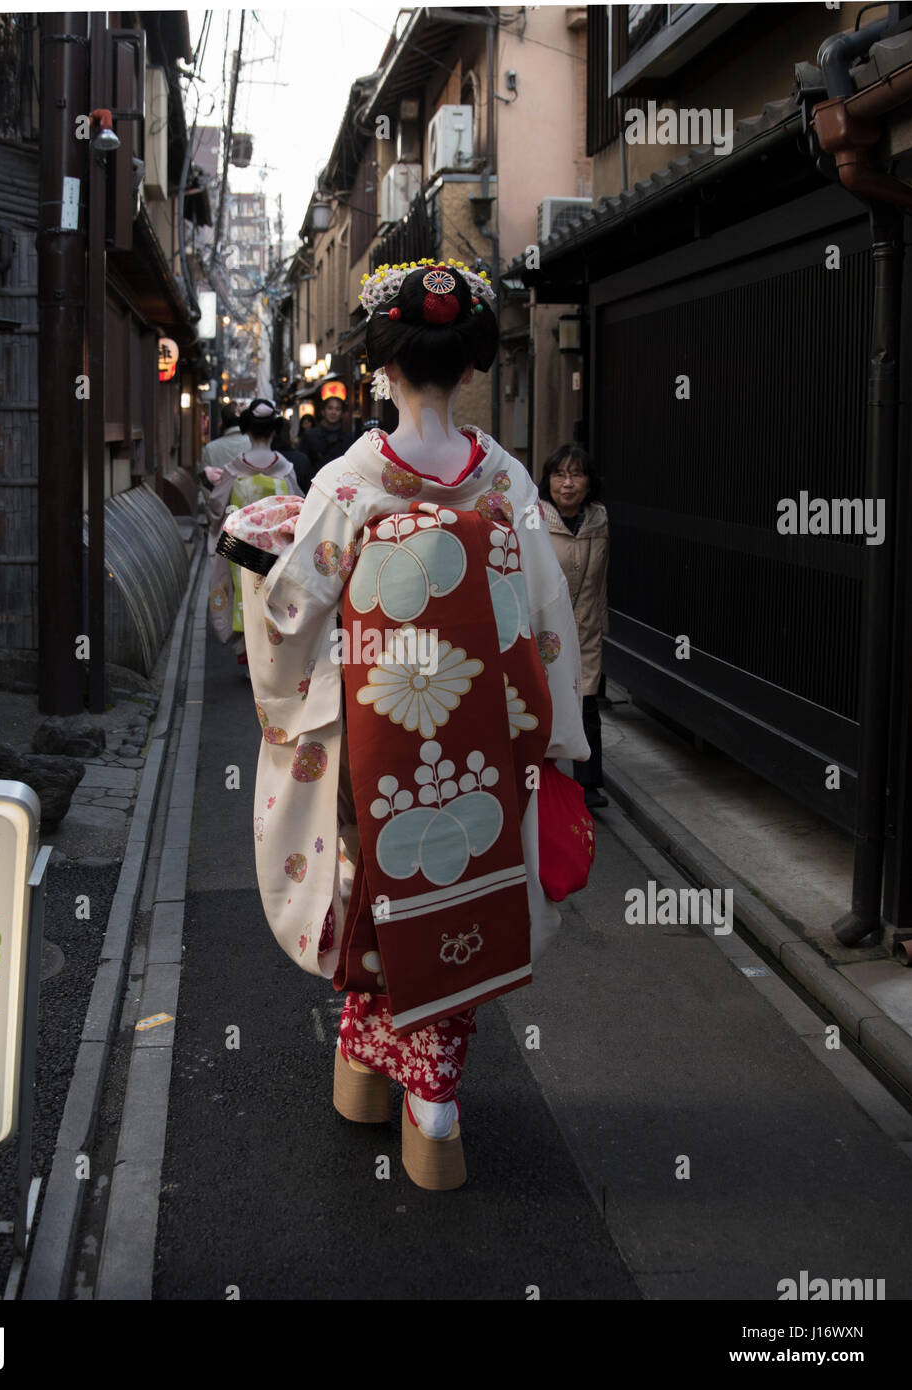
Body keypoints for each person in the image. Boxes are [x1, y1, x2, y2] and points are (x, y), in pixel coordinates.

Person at [232, 259, 591, 1191]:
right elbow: (546, 625)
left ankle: (403, 1096)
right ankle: (417, 1099)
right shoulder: (506, 483)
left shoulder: (351, 484)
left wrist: (255, 563)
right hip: (483, 740)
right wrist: (554, 737)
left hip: (375, 741)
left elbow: (290, 619)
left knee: (373, 907)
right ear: (468, 367)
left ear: (382, 367)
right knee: (458, 897)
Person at [206, 399, 302, 667]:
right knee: (275, 595)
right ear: (274, 430)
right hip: (278, 547)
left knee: (242, 595)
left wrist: (217, 523)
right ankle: (275, 653)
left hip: (240, 545)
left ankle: (246, 655)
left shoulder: (234, 469)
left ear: (246, 430)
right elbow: (299, 507)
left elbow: (216, 505)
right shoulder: (285, 469)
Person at [539, 445, 609, 808]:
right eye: (559, 475)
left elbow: (601, 581)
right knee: (541, 700)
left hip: (585, 626)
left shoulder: (599, 520)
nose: (567, 484)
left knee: (587, 705)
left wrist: (601, 624)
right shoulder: (534, 519)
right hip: (545, 627)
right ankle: (538, 778)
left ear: (588, 481)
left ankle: (589, 783)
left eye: (576, 474)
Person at [301, 396, 352, 481]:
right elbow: (304, 464)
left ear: (342, 413)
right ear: (323, 412)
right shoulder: (310, 435)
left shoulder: (348, 438)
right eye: (330, 408)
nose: (333, 412)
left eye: (338, 409)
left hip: (339, 485)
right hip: (314, 484)